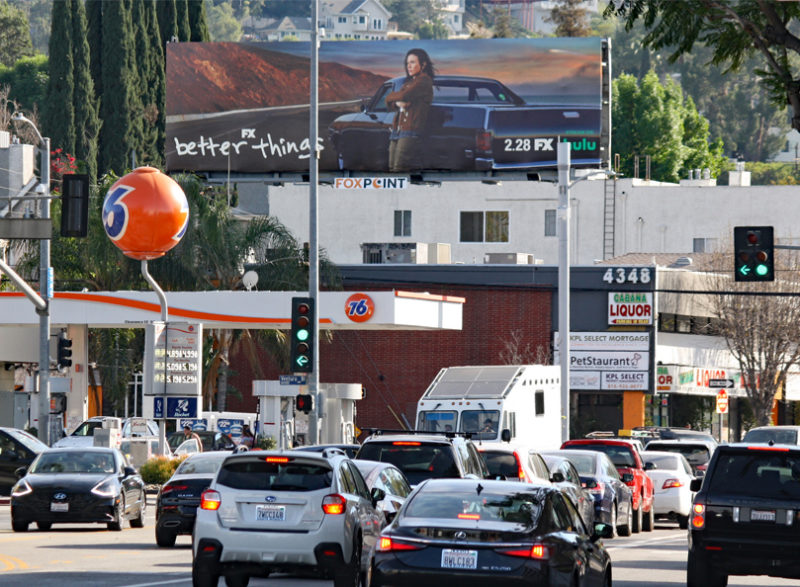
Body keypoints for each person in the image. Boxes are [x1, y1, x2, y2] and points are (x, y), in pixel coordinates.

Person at [386, 48, 435, 172]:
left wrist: (392, 97)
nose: (409, 66)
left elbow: (403, 96)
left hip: (411, 130)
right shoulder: (408, 83)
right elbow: (390, 104)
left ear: (423, 65)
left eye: (412, 62)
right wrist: (396, 101)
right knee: (392, 167)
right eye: (407, 63)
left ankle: (400, 191)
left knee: (399, 168)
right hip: (398, 129)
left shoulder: (424, 80)